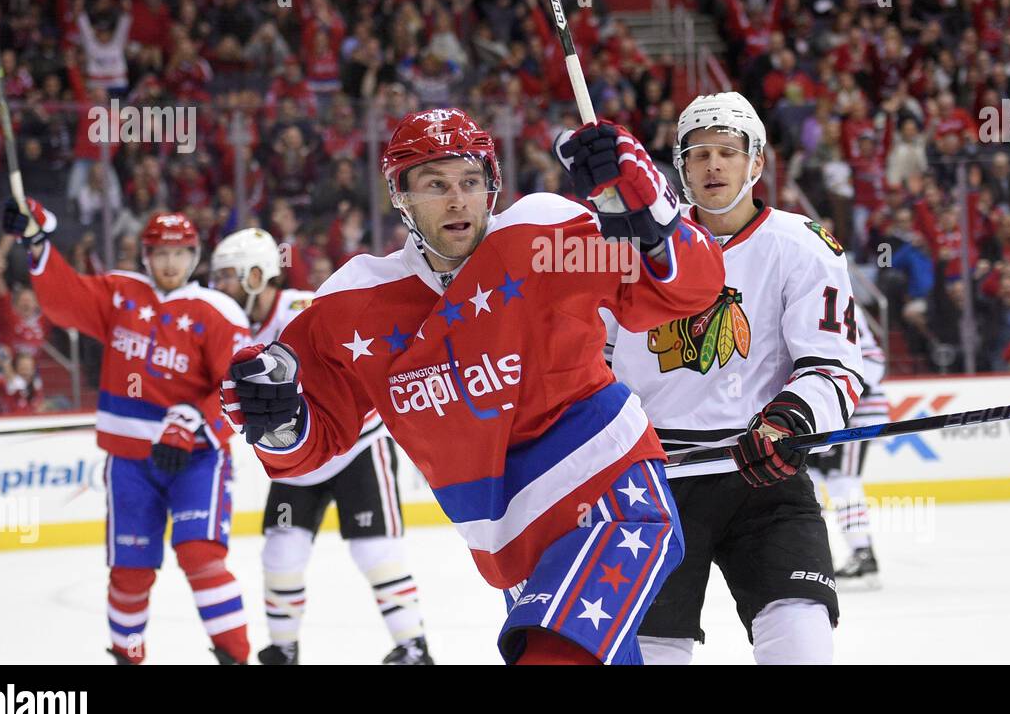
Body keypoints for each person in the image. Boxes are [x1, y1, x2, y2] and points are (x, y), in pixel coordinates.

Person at [222, 108, 725, 664]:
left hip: (610, 496)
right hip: (513, 538)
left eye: (470, 181)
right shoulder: (354, 301)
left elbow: (690, 291)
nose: (458, 199)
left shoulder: (543, 235)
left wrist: (659, 227)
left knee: (553, 656)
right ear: (400, 197)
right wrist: (275, 422)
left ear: (492, 188)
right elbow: (311, 442)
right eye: (435, 185)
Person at [602, 92, 865, 665]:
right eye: (698, 154)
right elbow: (589, 366)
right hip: (653, 485)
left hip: (762, 476)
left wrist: (789, 420)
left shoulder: (800, 245)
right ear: (680, 165)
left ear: (757, 163)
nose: (713, 165)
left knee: (803, 649)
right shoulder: (630, 252)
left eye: (727, 151)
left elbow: (833, 367)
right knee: (653, 655)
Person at [4, 202, 252, 665]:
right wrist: (38, 243)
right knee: (129, 572)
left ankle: (235, 658)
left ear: (195, 256)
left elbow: (237, 387)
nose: (170, 263)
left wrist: (192, 420)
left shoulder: (218, 310)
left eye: (180, 253)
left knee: (201, 555)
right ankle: (126, 656)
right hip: (130, 463)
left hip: (196, 459)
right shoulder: (122, 294)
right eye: (160, 253)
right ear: (145, 255)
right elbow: (63, 300)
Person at [209, 228, 432, 665]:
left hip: (356, 446)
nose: (221, 286)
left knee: (375, 550)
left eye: (229, 276)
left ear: (258, 275)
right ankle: (283, 649)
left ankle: (413, 646)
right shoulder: (233, 324)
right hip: (298, 459)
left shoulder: (297, 308)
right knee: (280, 551)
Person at [809, 302, 887, 589]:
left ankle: (862, 551)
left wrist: (848, 395)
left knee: (842, 480)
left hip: (853, 416)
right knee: (810, 480)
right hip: (822, 414)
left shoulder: (841, 303)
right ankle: (816, 553)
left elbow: (872, 357)